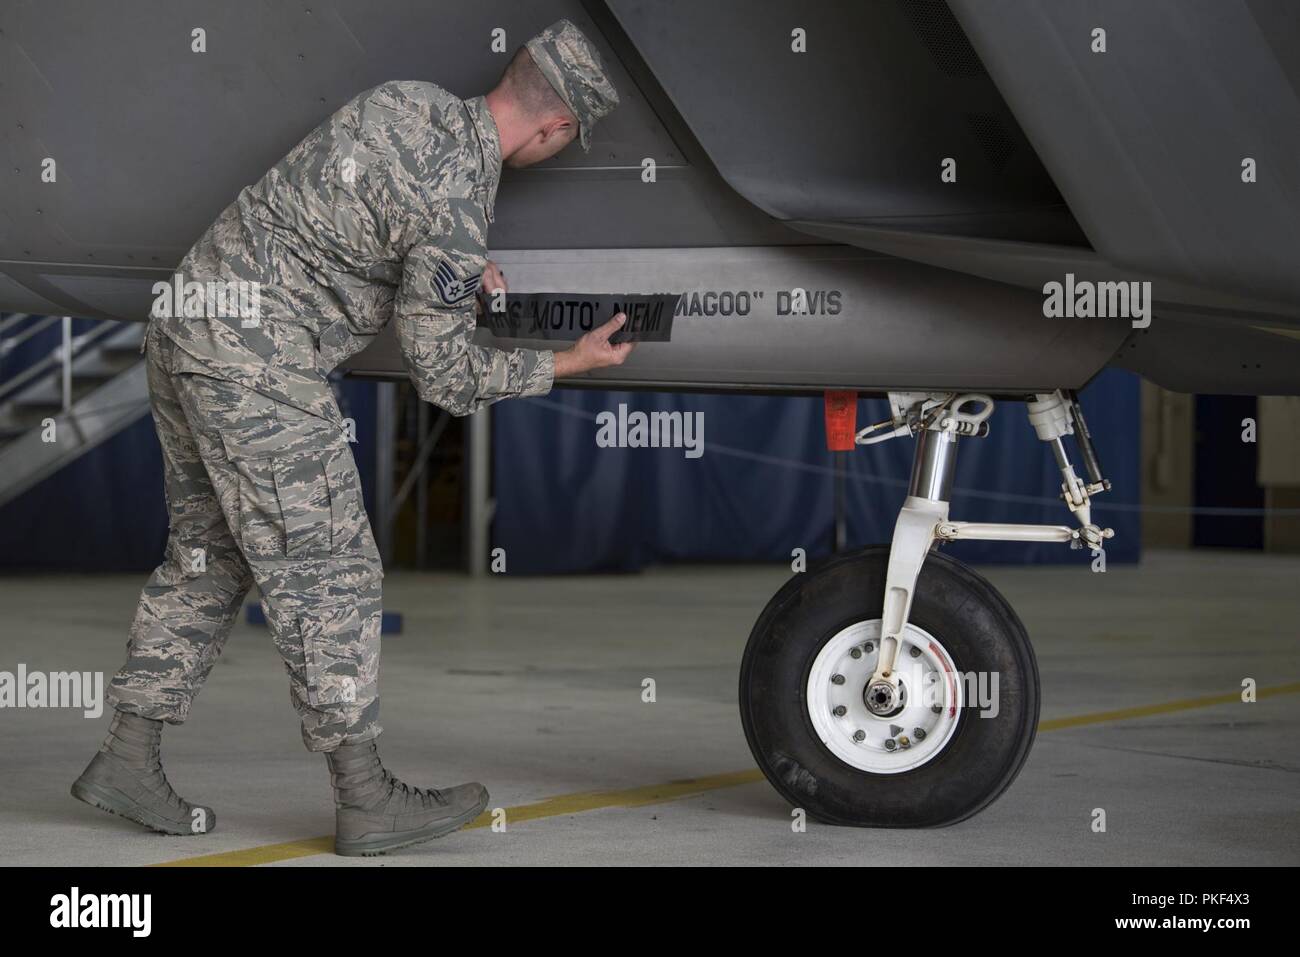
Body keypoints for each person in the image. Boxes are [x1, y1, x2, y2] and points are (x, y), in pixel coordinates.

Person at [72, 19, 626, 857]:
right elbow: (445, 377)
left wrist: (451, 267)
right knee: (332, 566)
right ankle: (364, 797)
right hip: (256, 356)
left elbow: (351, 214)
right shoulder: (458, 207)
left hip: (189, 319)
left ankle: (125, 755)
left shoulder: (406, 102)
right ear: (554, 130)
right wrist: (567, 363)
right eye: (565, 141)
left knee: (211, 553)